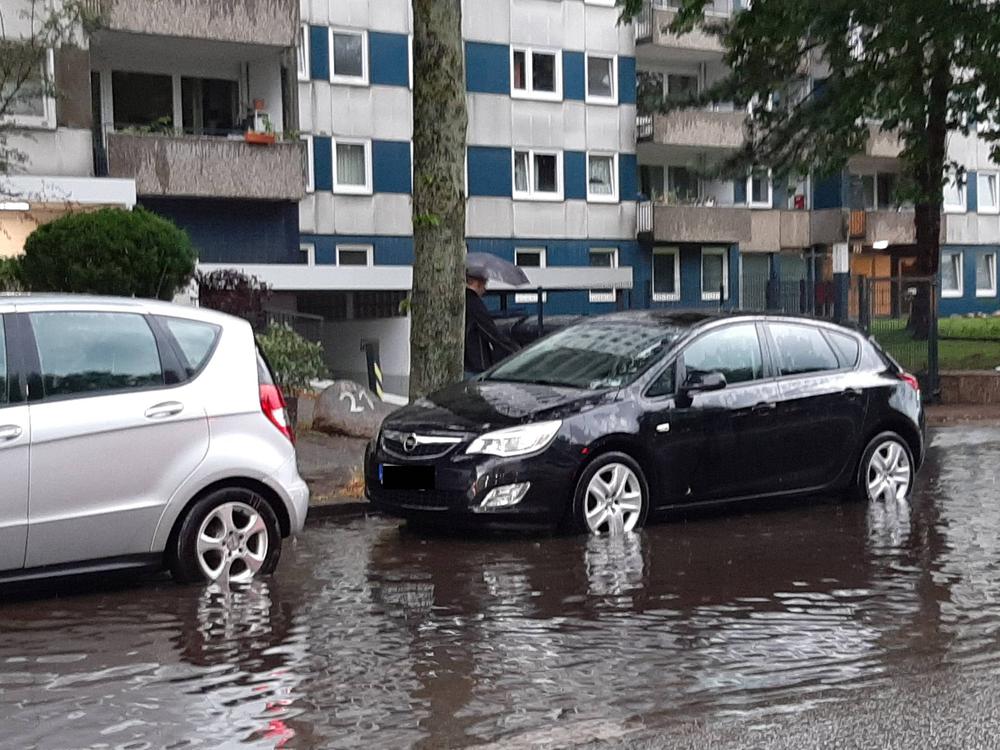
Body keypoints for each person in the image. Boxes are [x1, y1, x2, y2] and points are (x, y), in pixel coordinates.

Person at [464, 272, 516, 379]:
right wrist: (516, 350)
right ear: (478, 283)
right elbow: (491, 333)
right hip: (475, 362)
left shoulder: (460, 299)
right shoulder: (474, 303)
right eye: (485, 284)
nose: (485, 289)